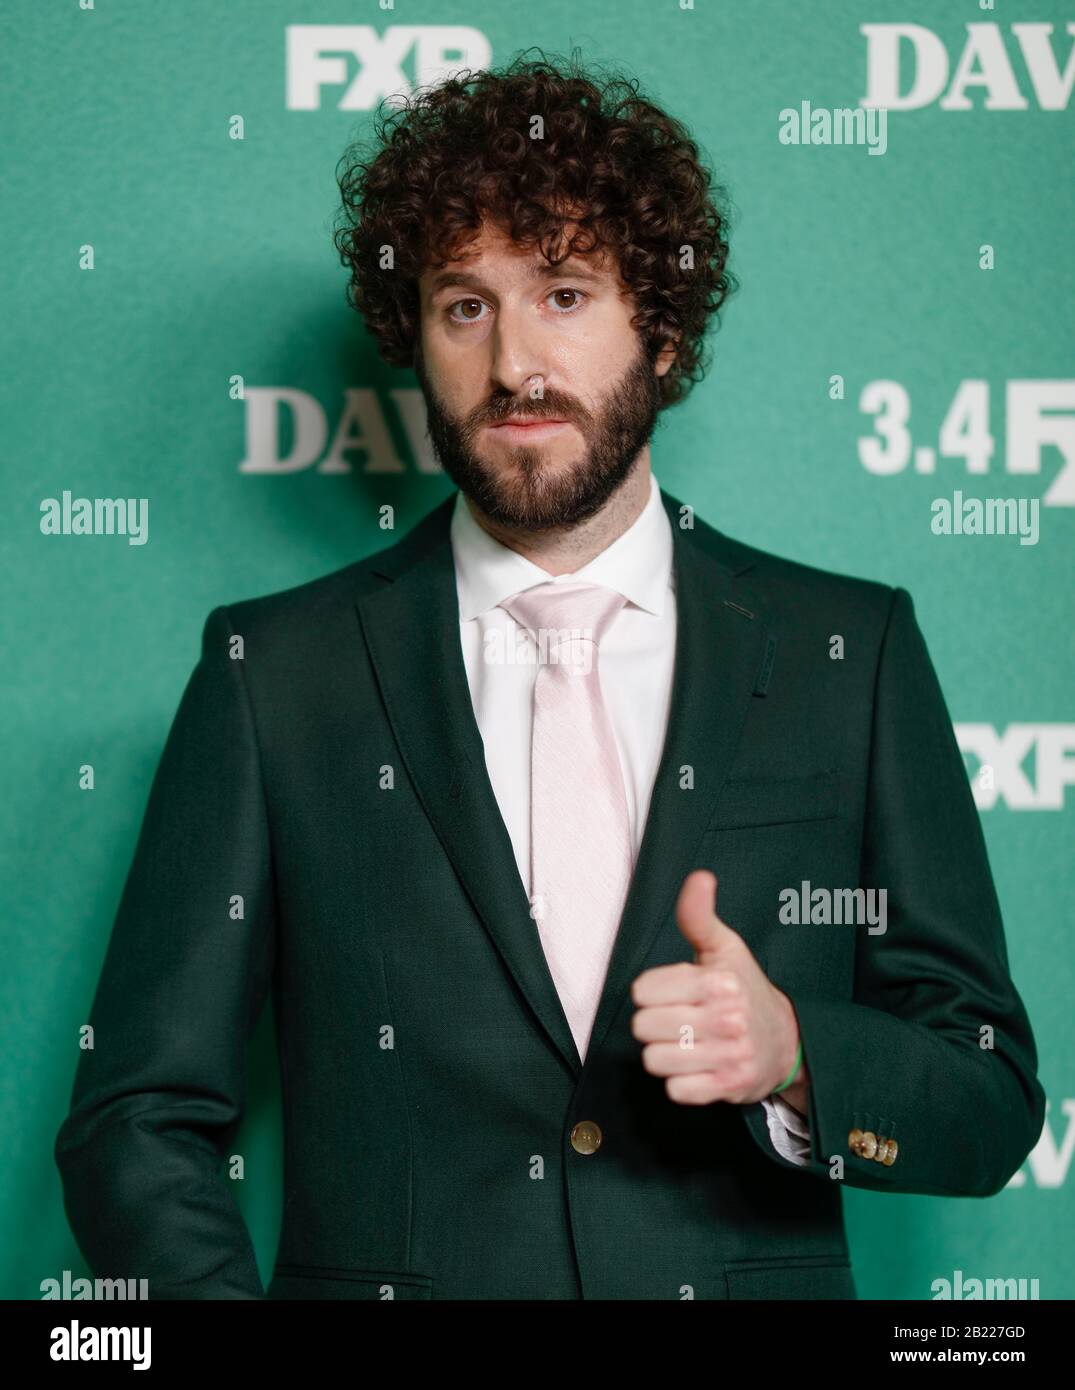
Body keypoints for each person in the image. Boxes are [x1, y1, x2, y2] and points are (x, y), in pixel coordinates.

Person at [55, 53, 1044, 1301]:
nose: (515, 360)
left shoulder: (849, 653)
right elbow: (135, 1119)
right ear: (410, 336)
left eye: (565, 294)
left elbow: (989, 1094)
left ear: (662, 331)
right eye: (464, 305)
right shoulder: (275, 675)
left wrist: (800, 1055)